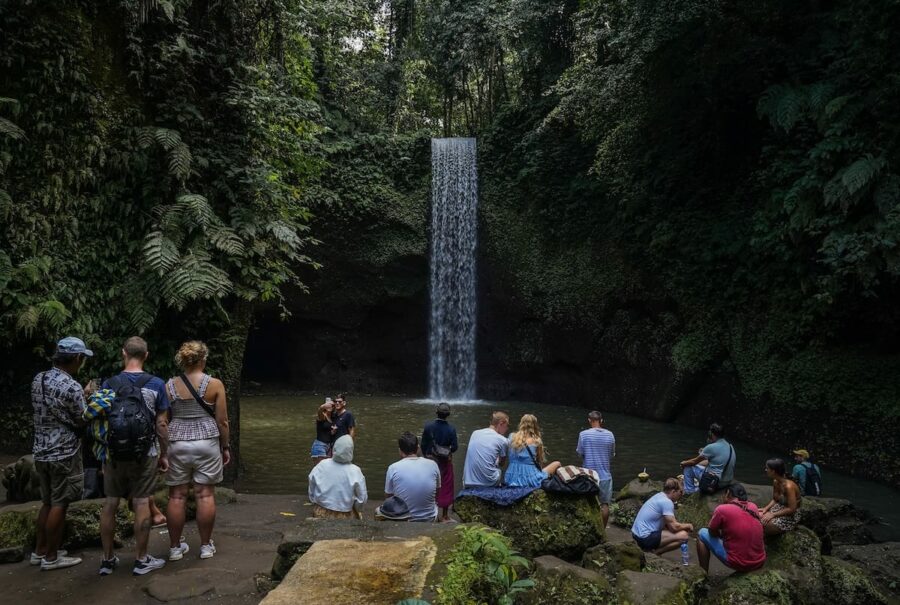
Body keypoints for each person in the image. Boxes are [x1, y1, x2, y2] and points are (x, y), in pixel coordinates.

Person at [87, 337, 170, 576]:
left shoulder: (109, 383)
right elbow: (162, 424)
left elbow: (100, 418)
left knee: (111, 501)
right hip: (145, 452)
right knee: (143, 501)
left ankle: (107, 559)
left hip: (112, 452)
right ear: (146, 355)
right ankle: (141, 559)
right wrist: (164, 454)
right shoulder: (156, 384)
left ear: (123, 353)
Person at [164, 341, 231, 561]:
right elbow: (222, 421)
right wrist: (226, 446)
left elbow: (164, 420)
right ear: (203, 359)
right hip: (206, 441)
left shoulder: (169, 385)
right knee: (205, 494)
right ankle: (205, 546)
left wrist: (163, 449)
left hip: (177, 441)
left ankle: (175, 548)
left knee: (176, 496)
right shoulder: (215, 384)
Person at [31, 337, 90, 571]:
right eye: (82, 358)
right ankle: (52, 557)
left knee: (46, 502)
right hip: (64, 452)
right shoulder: (72, 386)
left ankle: (40, 550)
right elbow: (81, 419)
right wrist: (90, 402)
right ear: (76, 358)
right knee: (60, 504)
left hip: (41, 450)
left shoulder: (39, 379)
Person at [696, 483, 766, 574]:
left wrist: (720, 535)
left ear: (728, 494)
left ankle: (703, 574)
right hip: (759, 561)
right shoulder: (753, 506)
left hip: (739, 562)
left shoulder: (722, 509)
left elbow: (711, 532)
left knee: (701, 533)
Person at [383, 432, 441, 522]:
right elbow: (437, 492)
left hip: (403, 518)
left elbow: (388, 497)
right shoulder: (433, 465)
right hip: (429, 517)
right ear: (418, 448)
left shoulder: (393, 468)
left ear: (400, 451)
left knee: (379, 510)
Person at [308, 435, 367, 518]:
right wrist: (357, 508)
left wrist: (314, 501)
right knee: (358, 516)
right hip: (344, 514)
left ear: (334, 449)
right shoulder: (355, 471)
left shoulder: (322, 465)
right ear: (351, 451)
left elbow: (311, 483)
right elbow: (362, 498)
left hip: (320, 511)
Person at [631, 477, 694, 554]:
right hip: (644, 538)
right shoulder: (667, 502)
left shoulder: (659, 495)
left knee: (669, 529)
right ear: (673, 491)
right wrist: (688, 526)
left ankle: (650, 549)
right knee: (683, 536)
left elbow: (667, 525)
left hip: (636, 535)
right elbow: (674, 527)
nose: (682, 495)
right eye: (681, 492)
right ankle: (655, 553)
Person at [576, 410, 616, 527]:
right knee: (605, 505)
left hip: (588, 475)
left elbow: (580, 453)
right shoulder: (610, 435)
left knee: (587, 502)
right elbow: (611, 454)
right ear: (601, 421)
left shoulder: (583, 434)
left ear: (589, 421)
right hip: (605, 476)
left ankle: (589, 529)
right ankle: (603, 530)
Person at [421, 402, 458, 522]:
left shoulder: (428, 426)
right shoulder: (451, 429)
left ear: (436, 412)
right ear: (448, 415)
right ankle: (445, 516)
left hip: (431, 460)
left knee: (429, 484)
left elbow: (423, 444)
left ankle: (428, 512)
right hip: (444, 461)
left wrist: (427, 455)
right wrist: (447, 452)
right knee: (446, 485)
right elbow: (455, 447)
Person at [504, 414, 561, 488]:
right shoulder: (536, 441)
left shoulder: (511, 436)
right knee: (557, 463)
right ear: (535, 425)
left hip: (510, 478)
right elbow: (539, 462)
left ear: (521, 423)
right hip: (529, 480)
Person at [680, 422, 735, 495]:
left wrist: (683, 463)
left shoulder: (711, 447)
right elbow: (712, 462)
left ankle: (689, 491)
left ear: (712, 434)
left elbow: (693, 462)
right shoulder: (730, 446)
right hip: (727, 481)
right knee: (699, 466)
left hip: (715, 482)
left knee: (688, 467)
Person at [462, 411, 510, 488]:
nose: (507, 429)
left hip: (467, 482)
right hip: (488, 483)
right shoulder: (502, 440)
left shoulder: (475, 433)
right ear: (501, 424)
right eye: (507, 425)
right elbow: (502, 463)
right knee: (499, 470)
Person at [759, 458, 801, 535]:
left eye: (767, 468)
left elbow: (792, 509)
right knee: (755, 515)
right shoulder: (776, 481)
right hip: (779, 507)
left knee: (760, 524)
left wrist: (773, 514)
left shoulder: (789, 487)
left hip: (790, 515)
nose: (765, 470)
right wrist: (765, 509)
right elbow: (775, 499)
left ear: (773, 471)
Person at [311, 399, 335, 465]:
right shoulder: (322, 416)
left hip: (329, 447)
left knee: (328, 470)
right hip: (320, 446)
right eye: (329, 405)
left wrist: (333, 432)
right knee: (320, 470)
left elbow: (327, 432)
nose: (331, 407)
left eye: (333, 405)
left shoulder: (333, 418)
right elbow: (319, 411)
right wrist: (323, 406)